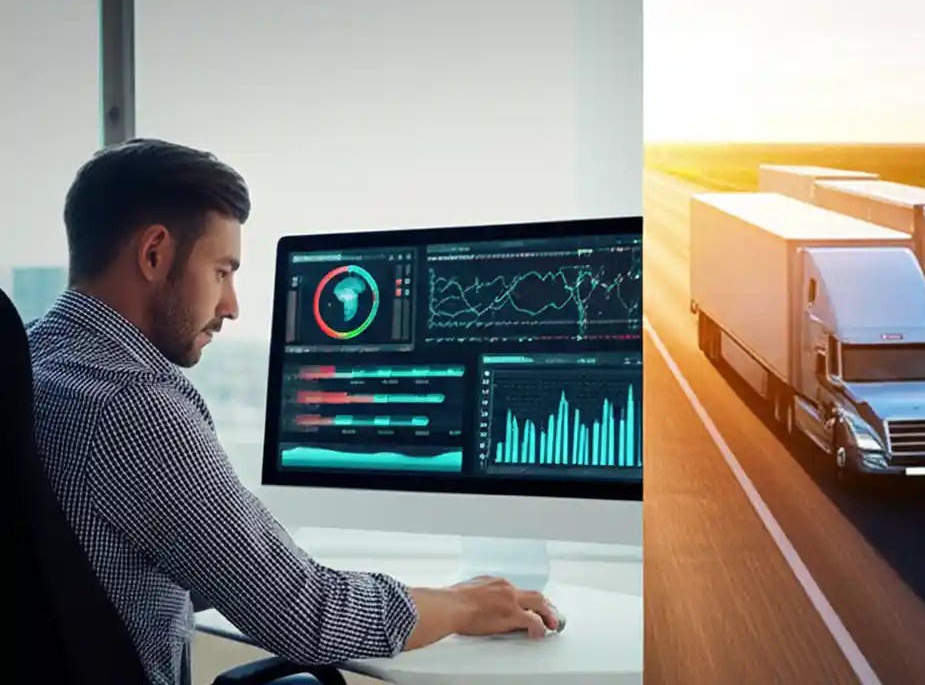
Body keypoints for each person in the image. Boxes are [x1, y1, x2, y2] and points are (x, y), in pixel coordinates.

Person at [25, 139, 558, 685]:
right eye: (222, 271)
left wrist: (258, 561)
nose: (232, 305)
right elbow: (306, 616)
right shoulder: (136, 405)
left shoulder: (29, 360)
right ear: (155, 254)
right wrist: (461, 606)